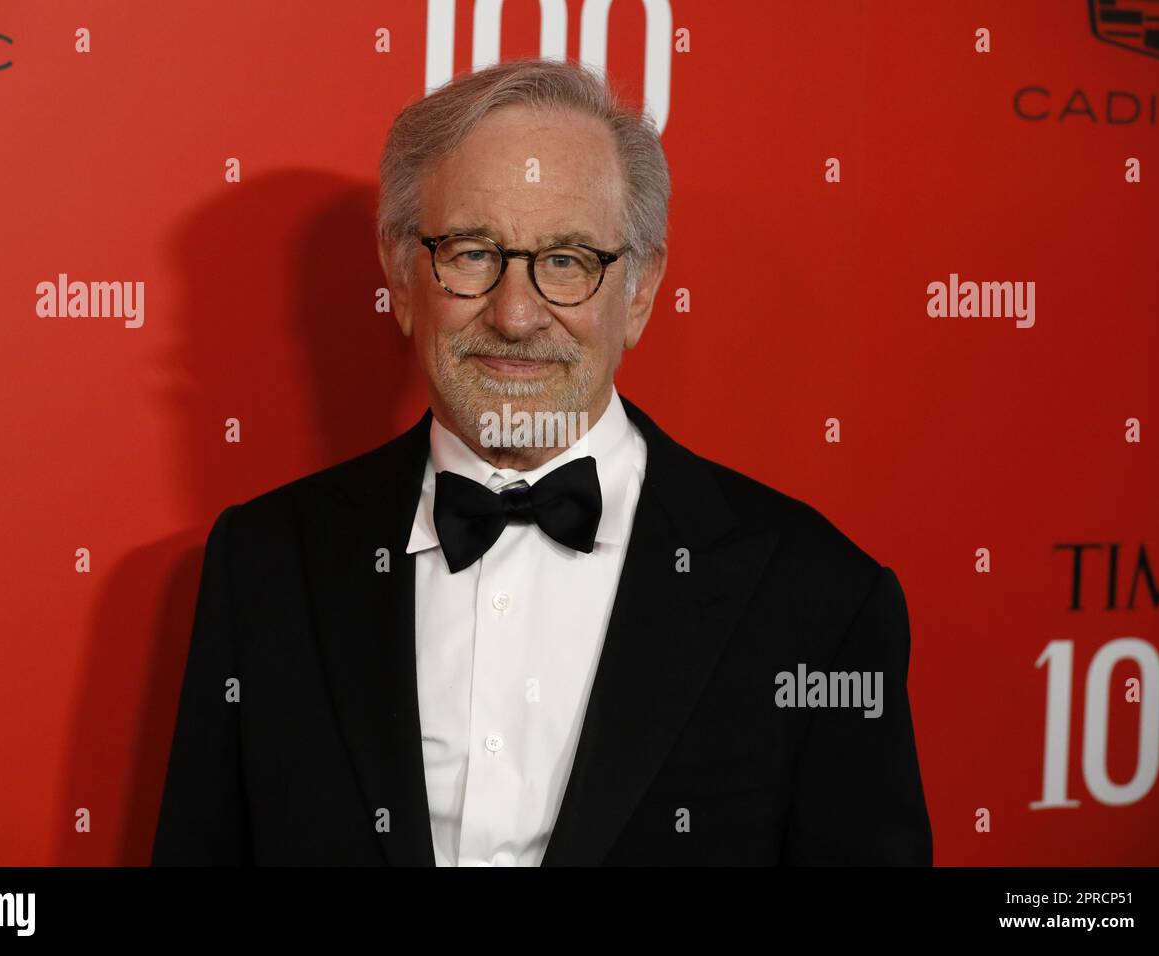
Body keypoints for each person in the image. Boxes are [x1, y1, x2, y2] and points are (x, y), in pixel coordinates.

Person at [151, 57, 933, 866]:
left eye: (567, 261)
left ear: (639, 291)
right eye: (471, 251)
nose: (516, 315)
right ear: (398, 271)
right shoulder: (263, 563)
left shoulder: (819, 598)